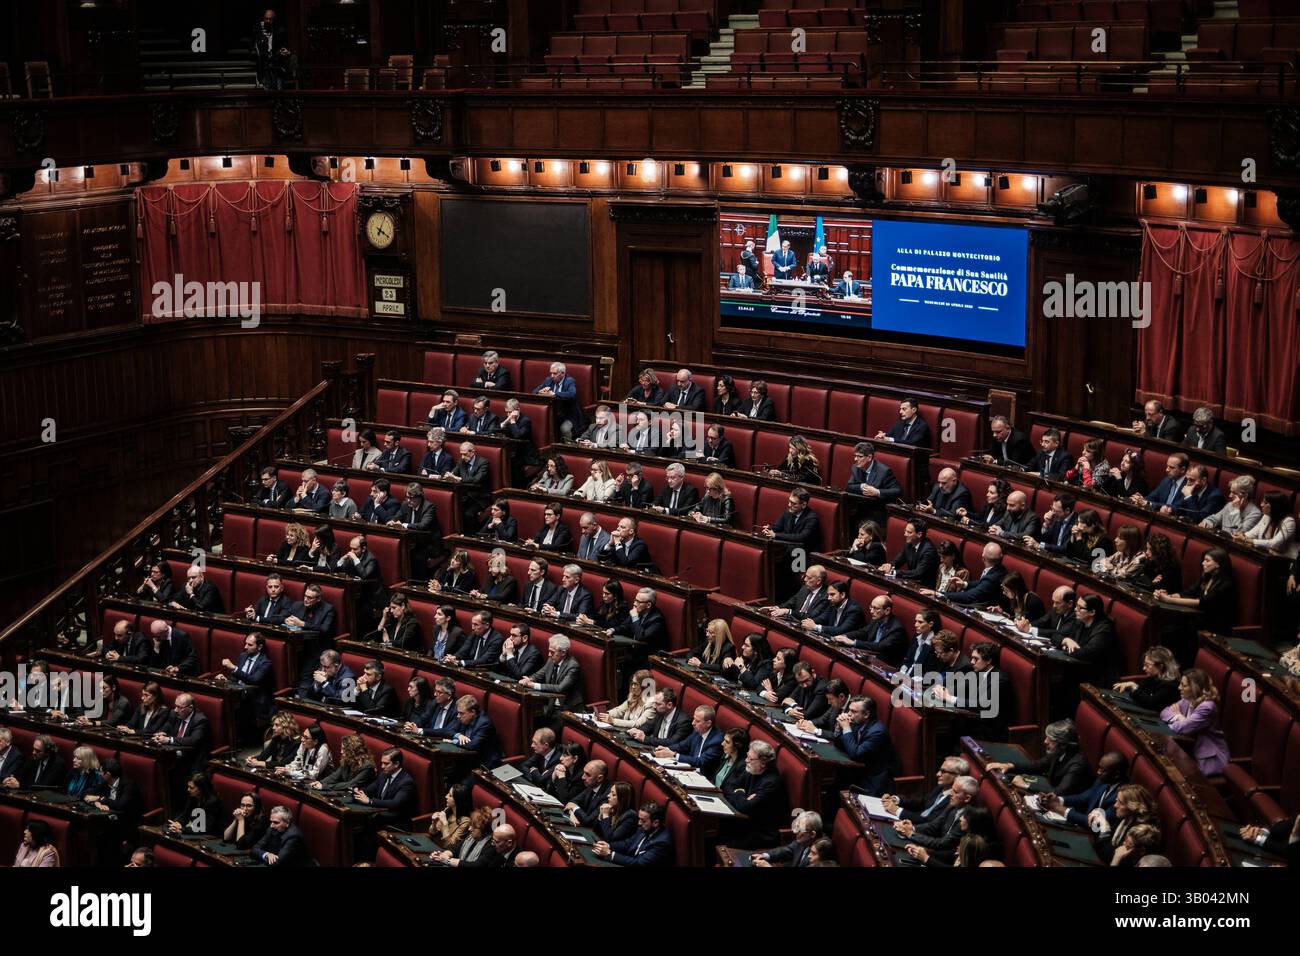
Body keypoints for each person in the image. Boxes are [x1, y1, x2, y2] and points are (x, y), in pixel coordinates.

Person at [984, 720, 1092, 795]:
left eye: (1051, 739)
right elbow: (1038, 765)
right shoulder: (1060, 752)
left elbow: (1060, 792)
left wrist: (1026, 785)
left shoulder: (1077, 764)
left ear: (1063, 744)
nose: (1045, 742)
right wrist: (1009, 765)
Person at [1160, 668, 1229, 775]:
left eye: (1184, 685)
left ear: (1194, 688)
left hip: (1208, 758)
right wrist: (1179, 717)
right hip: (1188, 749)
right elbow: (1164, 713)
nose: (1179, 688)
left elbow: (1182, 728)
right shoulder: (1187, 699)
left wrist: (1181, 719)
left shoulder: (1207, 707)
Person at [1155, 546, 1237, 636]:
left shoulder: (1226, 584)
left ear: (1218, 564)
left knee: (1172, 631)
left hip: (1214, 628)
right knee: (1166, 627)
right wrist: (1169, 595)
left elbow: (1202, 602)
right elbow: (1189, 592)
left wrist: (1169, 600)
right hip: (1198, 620)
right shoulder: (1206, 576)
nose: (1203, 563)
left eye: (1207, 560)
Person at [891, 776, 978, 857]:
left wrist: (911, 834)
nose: (951, 793)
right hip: (936, 847)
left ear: (967, 798)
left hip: (948, 856)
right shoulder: (952, 805)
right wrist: (912, 828)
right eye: (952, 789)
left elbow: (943, 843)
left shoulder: (967, 819)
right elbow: (933, 826)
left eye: (955, 792)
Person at [724, 741, 788, 848]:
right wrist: (743, 798)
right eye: (747, 756)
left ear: (763, 763)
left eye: (750, 758)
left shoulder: (771, 783)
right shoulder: (752, 769)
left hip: (761, 833)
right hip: (745, 821)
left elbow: (744, 807)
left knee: (721, 840)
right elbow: (728, 785)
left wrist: (739, 792)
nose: (746, 760)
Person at [834, 696, 899, 794]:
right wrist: (840, 728)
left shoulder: (878, 732)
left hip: (874, 780)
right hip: (859, 770)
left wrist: (846, 728)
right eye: (849, 710)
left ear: (866, 714)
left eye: (854, 711)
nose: (849, 714)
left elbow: (856, 754)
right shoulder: (858, 723)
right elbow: (841, 745)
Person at [880, 757, 970, 823]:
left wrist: (897, 810)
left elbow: (929, 820)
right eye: (939, 770)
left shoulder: (954, 800)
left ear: (958, 777)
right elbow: (922, 802)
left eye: (943, 771)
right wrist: (897, 800)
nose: (938, 774)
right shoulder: (941, 788)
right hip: (912, 822)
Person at [593, 802, 673, 866]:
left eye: (643, 820)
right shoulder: (645, 828)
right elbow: (628, 843)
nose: (639, 823)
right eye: (639, 819)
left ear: (655, 823)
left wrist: (610, 854)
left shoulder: (662, 842)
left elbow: (639, 863)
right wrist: (609, 845)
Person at [520, 635, 585, 712]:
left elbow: (560, 688)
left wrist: (533, 685)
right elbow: (540, 674)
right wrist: (529, 679)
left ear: (563, 652)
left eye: (552, 652)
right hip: (550, 706)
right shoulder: (552, 660)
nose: (549, 655)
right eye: (549, 651)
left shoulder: (572, 666)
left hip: (567, 710)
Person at [930, 542, 1006, 606]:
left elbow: (969, 596)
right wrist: (964, 584)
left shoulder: (992, 577)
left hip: (983, 607)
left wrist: (940, 594)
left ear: (983, 557)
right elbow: (982, 582)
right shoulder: (998, 569)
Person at [654, 705, 723, 776]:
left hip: (703, 777)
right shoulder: (698, 731)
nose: (693, 723)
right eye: (694, 719)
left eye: (697, 721)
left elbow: (700, 761)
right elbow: (682, 746)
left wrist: (674, 755)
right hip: (690, 770)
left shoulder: (717, 740)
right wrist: (666, 749)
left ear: (708, 723)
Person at [838, 596, 908, 665]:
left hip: (883, 663)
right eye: (871, 607)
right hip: (869, 655)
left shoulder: (897, 629)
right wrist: (844, 636)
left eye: (876, 608)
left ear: (887, 610)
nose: (871, 611)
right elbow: (863, 632)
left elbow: (880, 647)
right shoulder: (876, 619)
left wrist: (854, 643)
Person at [1113, 646, 1182, 712]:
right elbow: (1140, 693)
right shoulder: (1153, 678)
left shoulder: (1170, 686)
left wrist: (1134, 687)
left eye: (1147, 665)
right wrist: (1134, 688)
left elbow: (1150, 704)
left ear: (1160, 666)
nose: (1144, 668)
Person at [751, 810, 824, 867]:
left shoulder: (818, 852)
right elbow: (787, 850)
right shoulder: (804, 840)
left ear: (812, 834)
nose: (795, 833)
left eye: (800, 831)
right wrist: (765, 855)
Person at [880, 516, 939, 587]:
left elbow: (918, 573)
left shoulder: (929, 551)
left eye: (909, 532)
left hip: (924, 587)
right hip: (912, 583)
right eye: (905, 531)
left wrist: (894, 572)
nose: (905, 534)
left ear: (919, 534)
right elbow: (898, 561)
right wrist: (889, 566)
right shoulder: (909, 545)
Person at [533, 362, 584, 439]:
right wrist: (540, 392)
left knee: (565, 429)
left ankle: (568, 447)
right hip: (553, 413)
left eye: (554, 373)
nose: (552, 376)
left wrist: (554, 394)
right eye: (551, 373)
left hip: (569, 414)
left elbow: (572, 394)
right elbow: (534, 392)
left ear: (562, 373)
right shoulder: (548, 380)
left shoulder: (569, 381)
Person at [1239, 490, 1297, 556]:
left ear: (1276, 505)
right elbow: (1253, 532)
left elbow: (1273, 543)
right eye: (1262, 502)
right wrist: (1241, 536)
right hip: (1263, 554)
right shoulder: (1267, 516)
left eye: (1265, 503)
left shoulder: (1289, 522)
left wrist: (1247, 540)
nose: (1261, 505)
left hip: (1280, 559)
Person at [628, 689, 692, 747]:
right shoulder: (660, 713)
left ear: (669, 705)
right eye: (654, 703)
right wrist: (637, 731)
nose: (654, 706)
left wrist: (645, 738)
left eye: (657, 704)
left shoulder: (683, 721)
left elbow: (672, 742)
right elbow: (648, 726)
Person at [562, 760, 612, 828]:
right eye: (584, 773)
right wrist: (573, 813)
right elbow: (572, 801)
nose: (583, 777)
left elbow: (589, 821)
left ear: (599, 778)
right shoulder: (592, 784)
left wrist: (574, 808)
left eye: (588, 775)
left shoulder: (608, 795)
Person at [253, 8, 291, 90]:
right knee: (267, 90)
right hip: (265, 66)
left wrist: (285, 51)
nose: (268, 21)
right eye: (266, 19)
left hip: (277, 64)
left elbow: (286, 47)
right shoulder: (258, 30)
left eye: (270, 19)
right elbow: (254, 46)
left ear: (274, 20)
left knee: (279, 89)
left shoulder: (280, 31)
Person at [429, 784, 475, 850]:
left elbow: (449, 846)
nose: (446, 796)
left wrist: (445, 824)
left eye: (450, 795)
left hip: (448, 854)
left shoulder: (465, 822)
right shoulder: (448, 810)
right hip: (437, 847)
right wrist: (434, 822)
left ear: (458, 800)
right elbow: (432, 832)